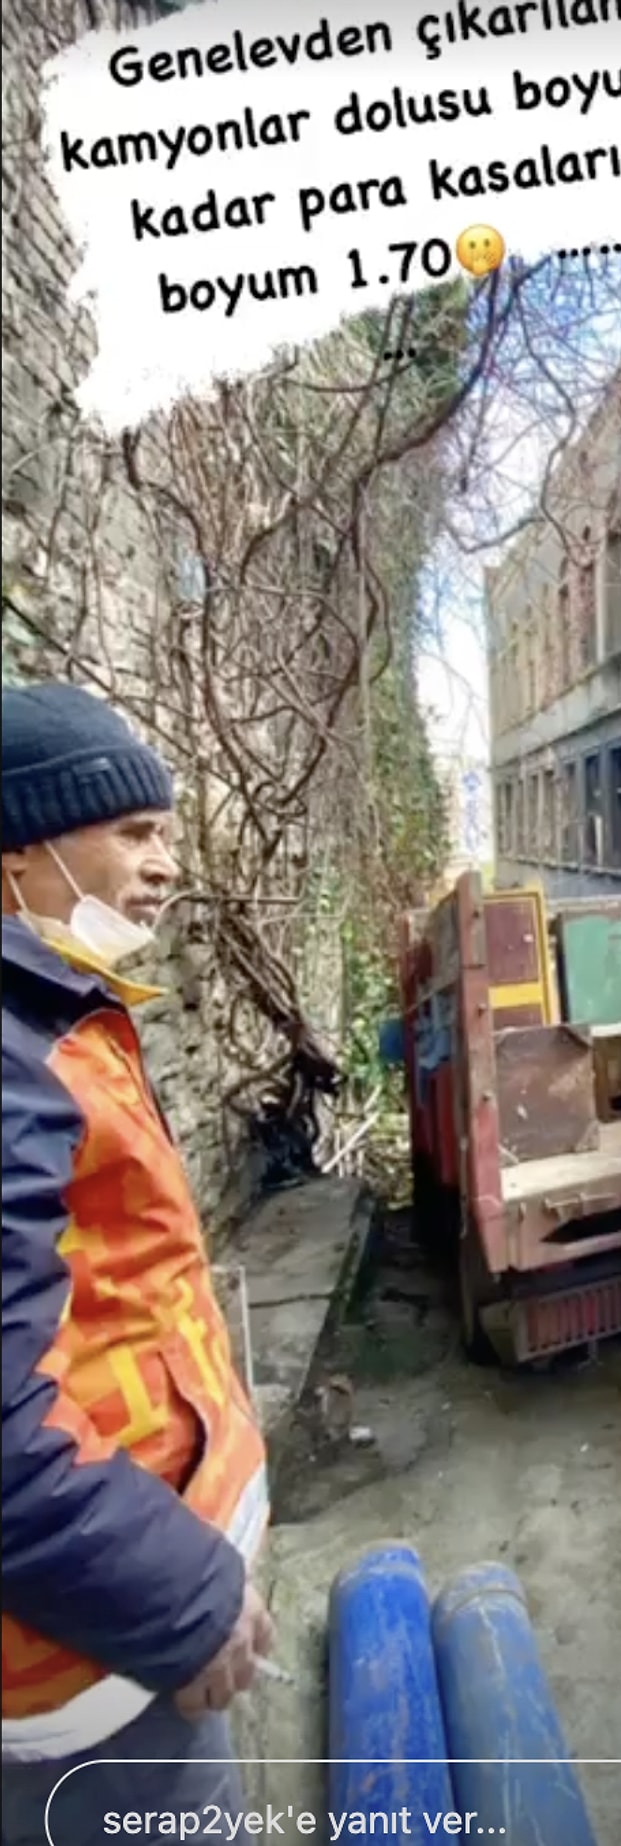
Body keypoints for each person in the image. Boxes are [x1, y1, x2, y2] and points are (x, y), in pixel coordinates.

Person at [1, 683, 275, 1846]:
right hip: (94, 1660)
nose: (166, 865)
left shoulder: (54, 1012)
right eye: (133, 833)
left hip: (121, 1603)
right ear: (21, 847)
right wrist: (181, 1597)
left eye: (167, 833)